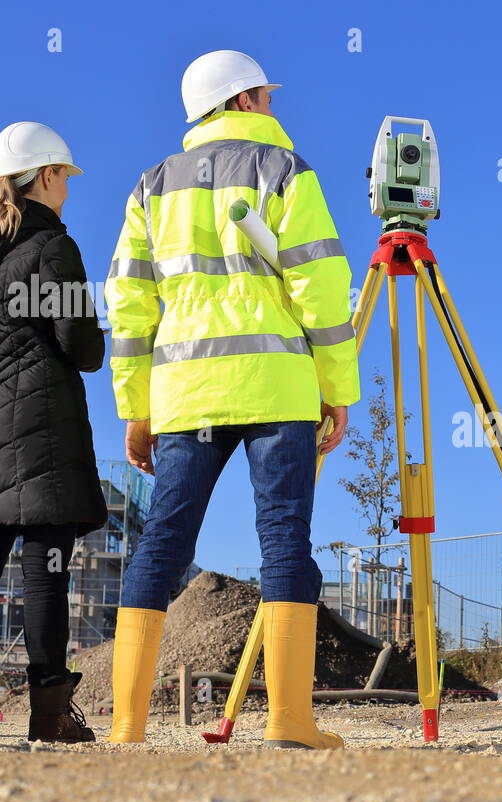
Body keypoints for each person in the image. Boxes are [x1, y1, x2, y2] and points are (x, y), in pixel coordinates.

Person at [105, 50, 360, 747]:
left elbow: (129, 307)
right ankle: (289, 721)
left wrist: (135, 407)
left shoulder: (151, 186)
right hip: (278, 387)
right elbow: (321, 285)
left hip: (187, 395)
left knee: (161, 543)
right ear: (244, 100)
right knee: (285, 541)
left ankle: (126, 728)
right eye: (266, 97)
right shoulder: (285, 172)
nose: (274, 107)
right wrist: (337, 389)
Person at [0, 122, 106, 744]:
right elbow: (81, 348)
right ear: (48, 177)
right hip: (45, 431)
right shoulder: (54, 249)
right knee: (45, 575)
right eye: (66, 178)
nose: (69, 191)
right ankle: (50, 715)